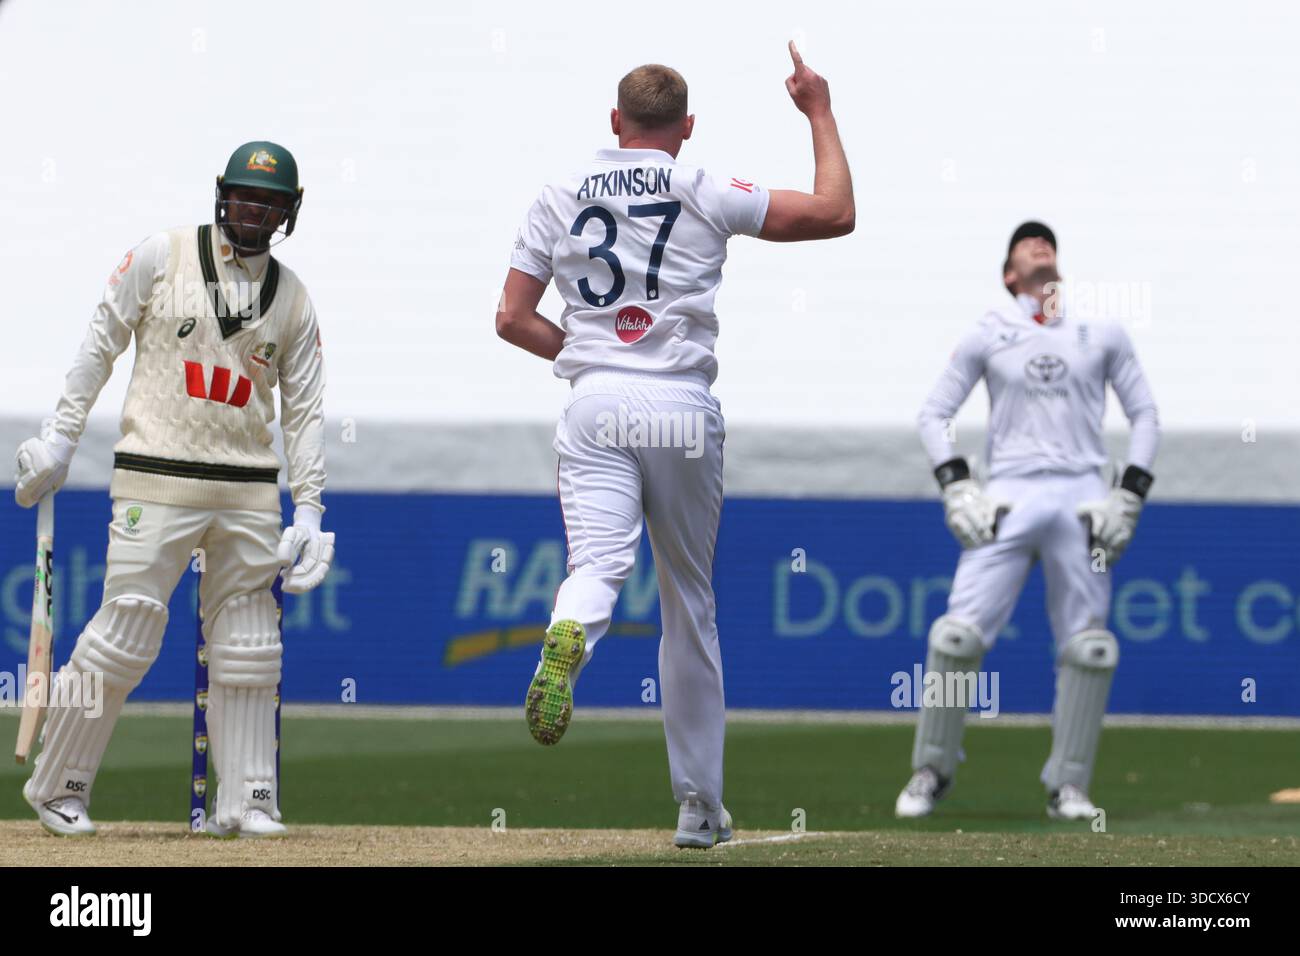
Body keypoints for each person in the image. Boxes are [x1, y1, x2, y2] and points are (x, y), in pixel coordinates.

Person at [496, 43, 854, 847]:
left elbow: (512, 318)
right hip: (682, 405)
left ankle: (571, 632)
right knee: (688, 606)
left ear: (614, 123)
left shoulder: (558, 194)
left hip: (594, 402)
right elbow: (835, 212)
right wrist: (818, 110)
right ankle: (698, 810)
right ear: (686, 128)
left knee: (596, 566)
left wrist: (593, 360)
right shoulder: (705, 186)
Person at [14, 141, 335, 838]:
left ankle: (247, 799)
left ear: (289, 212)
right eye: (246, 196)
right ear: (223, 194)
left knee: (250, 643)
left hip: (249, 489)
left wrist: (309, 507)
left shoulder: (296, 299)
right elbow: (100, 341)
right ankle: (60, 785)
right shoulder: (160, 256)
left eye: (270, 202)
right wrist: (62, 438)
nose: (255, 210)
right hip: (155, 476)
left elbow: (305, 413)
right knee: (124, 630)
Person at [896, 221, 1160, 820]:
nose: (1039, 243)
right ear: (1010, 273)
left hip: (1084, 500)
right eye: (1025, 241)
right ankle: (931, 769)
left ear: (1057, 264)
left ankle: (1068, 784)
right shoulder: (990, 333)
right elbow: (934, 413)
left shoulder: (1102, 332)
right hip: (1007, 496)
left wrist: (1129, 496)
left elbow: (1145, 415)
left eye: (1047, 240)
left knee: (1090, 648)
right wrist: (958, 486)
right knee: (955, 638)